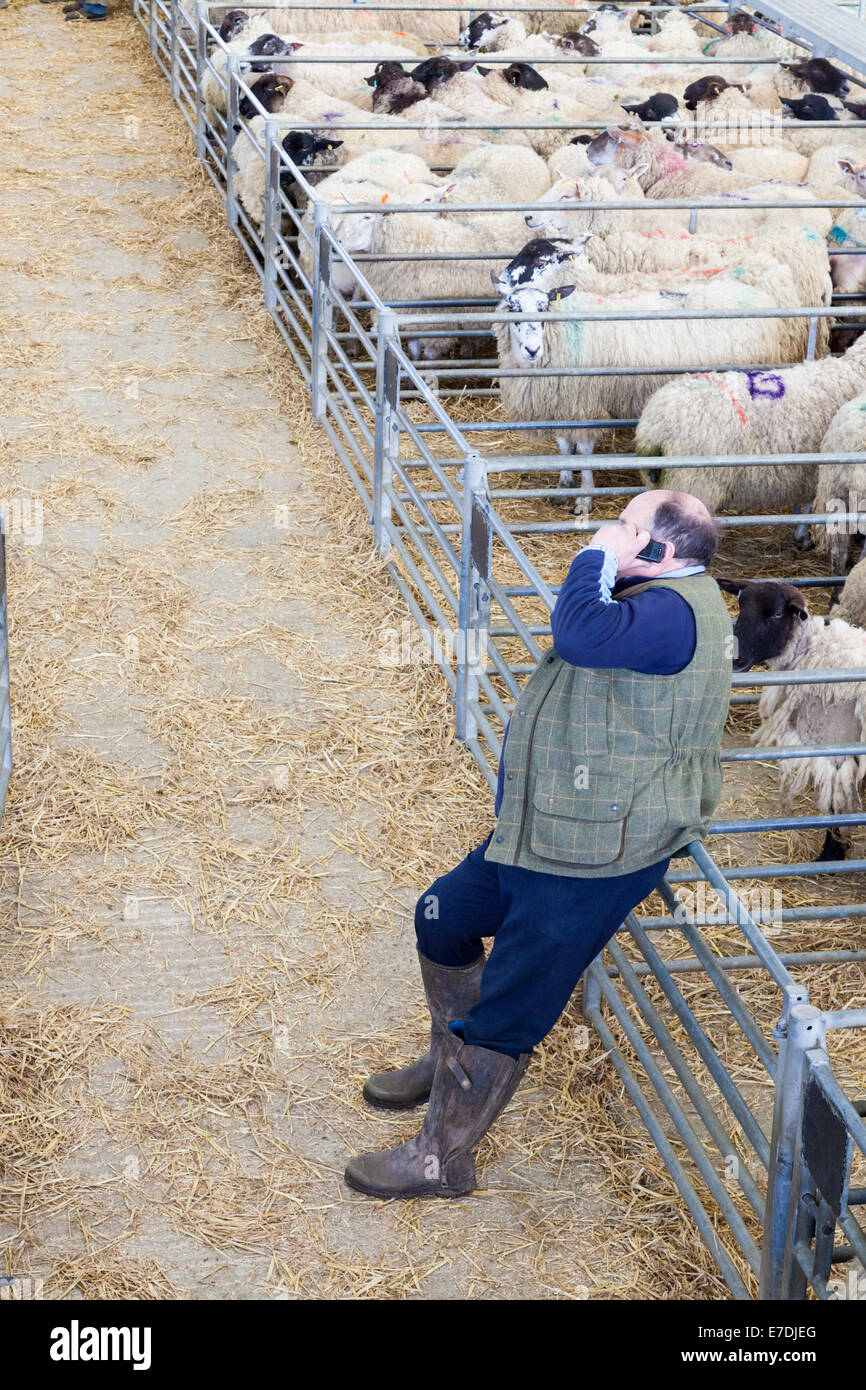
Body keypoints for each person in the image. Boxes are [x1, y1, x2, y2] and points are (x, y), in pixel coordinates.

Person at [344, 489, 732, 1200]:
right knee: (443, 915)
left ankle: (440, 1157)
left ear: (662, 552)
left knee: (510, 1009)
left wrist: (593, 556)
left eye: (627, 526)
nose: (610, 531)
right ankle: (445, 1052)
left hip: (596, 851)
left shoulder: (678, 614)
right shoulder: (650, 598)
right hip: (552, 821)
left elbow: (580, 632)